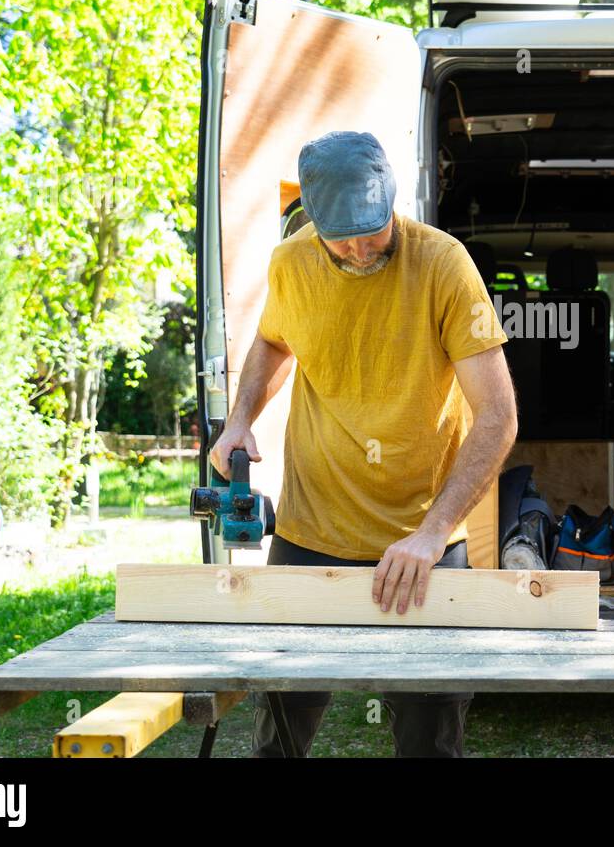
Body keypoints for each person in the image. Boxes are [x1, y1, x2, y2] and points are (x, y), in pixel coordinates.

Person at [207, 130, 516, 757]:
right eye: (341, 235)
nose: (359, 246)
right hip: (310, 529)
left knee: (431, 741)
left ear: (393, 198)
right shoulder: (290, 262)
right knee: (279, 736)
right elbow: (273, 340)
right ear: (311, 218)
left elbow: (498, 417)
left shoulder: (443, 264)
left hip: (422, 539)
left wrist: (433, 534)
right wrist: (239, 418)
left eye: (372, 228)